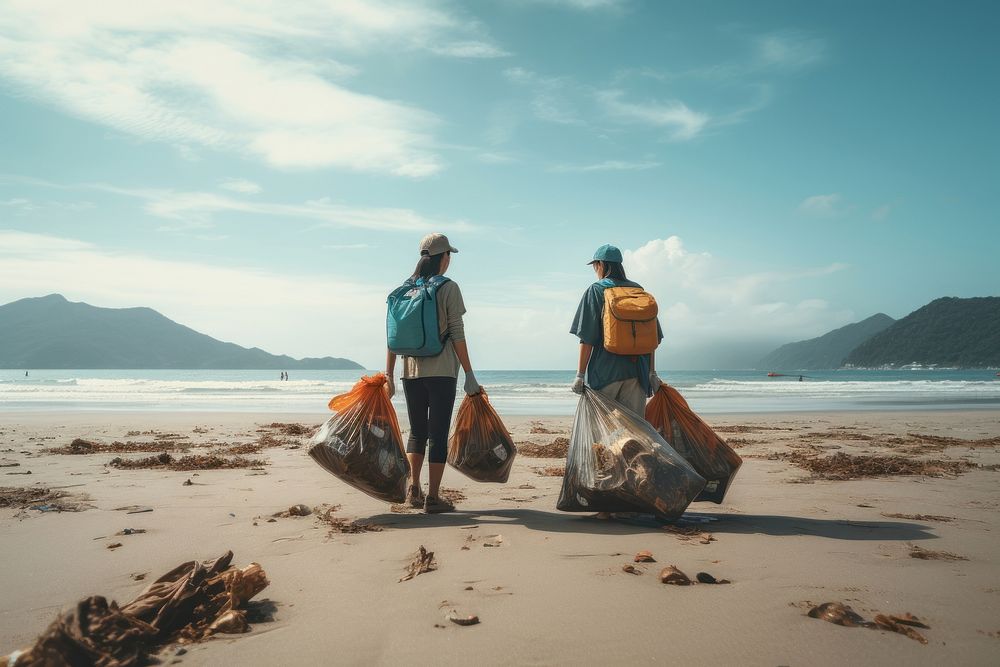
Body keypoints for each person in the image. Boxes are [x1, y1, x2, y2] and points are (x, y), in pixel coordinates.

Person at [385, 233, 481, 514]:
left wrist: (389, 375)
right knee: (438, 433)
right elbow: (457, 332)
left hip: (410, 371)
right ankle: (433, 498)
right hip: (441, 371)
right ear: (445, 257)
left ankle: (413, 490)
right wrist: (469, 374)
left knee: (417, 431)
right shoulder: (448, 288)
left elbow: (392, 337)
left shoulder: (404, 289)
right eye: (449, 255)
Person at [570, 244, 664, 415]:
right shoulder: (638, 291)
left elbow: (587, 337)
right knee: (637, 430)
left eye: (595, 266)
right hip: (638, 374)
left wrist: (580, 375)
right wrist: (652, 372)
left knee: (601, 430)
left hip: (604, 373)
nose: (595, 270)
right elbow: (650, 338)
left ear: (601, 265)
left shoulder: (596, 290)